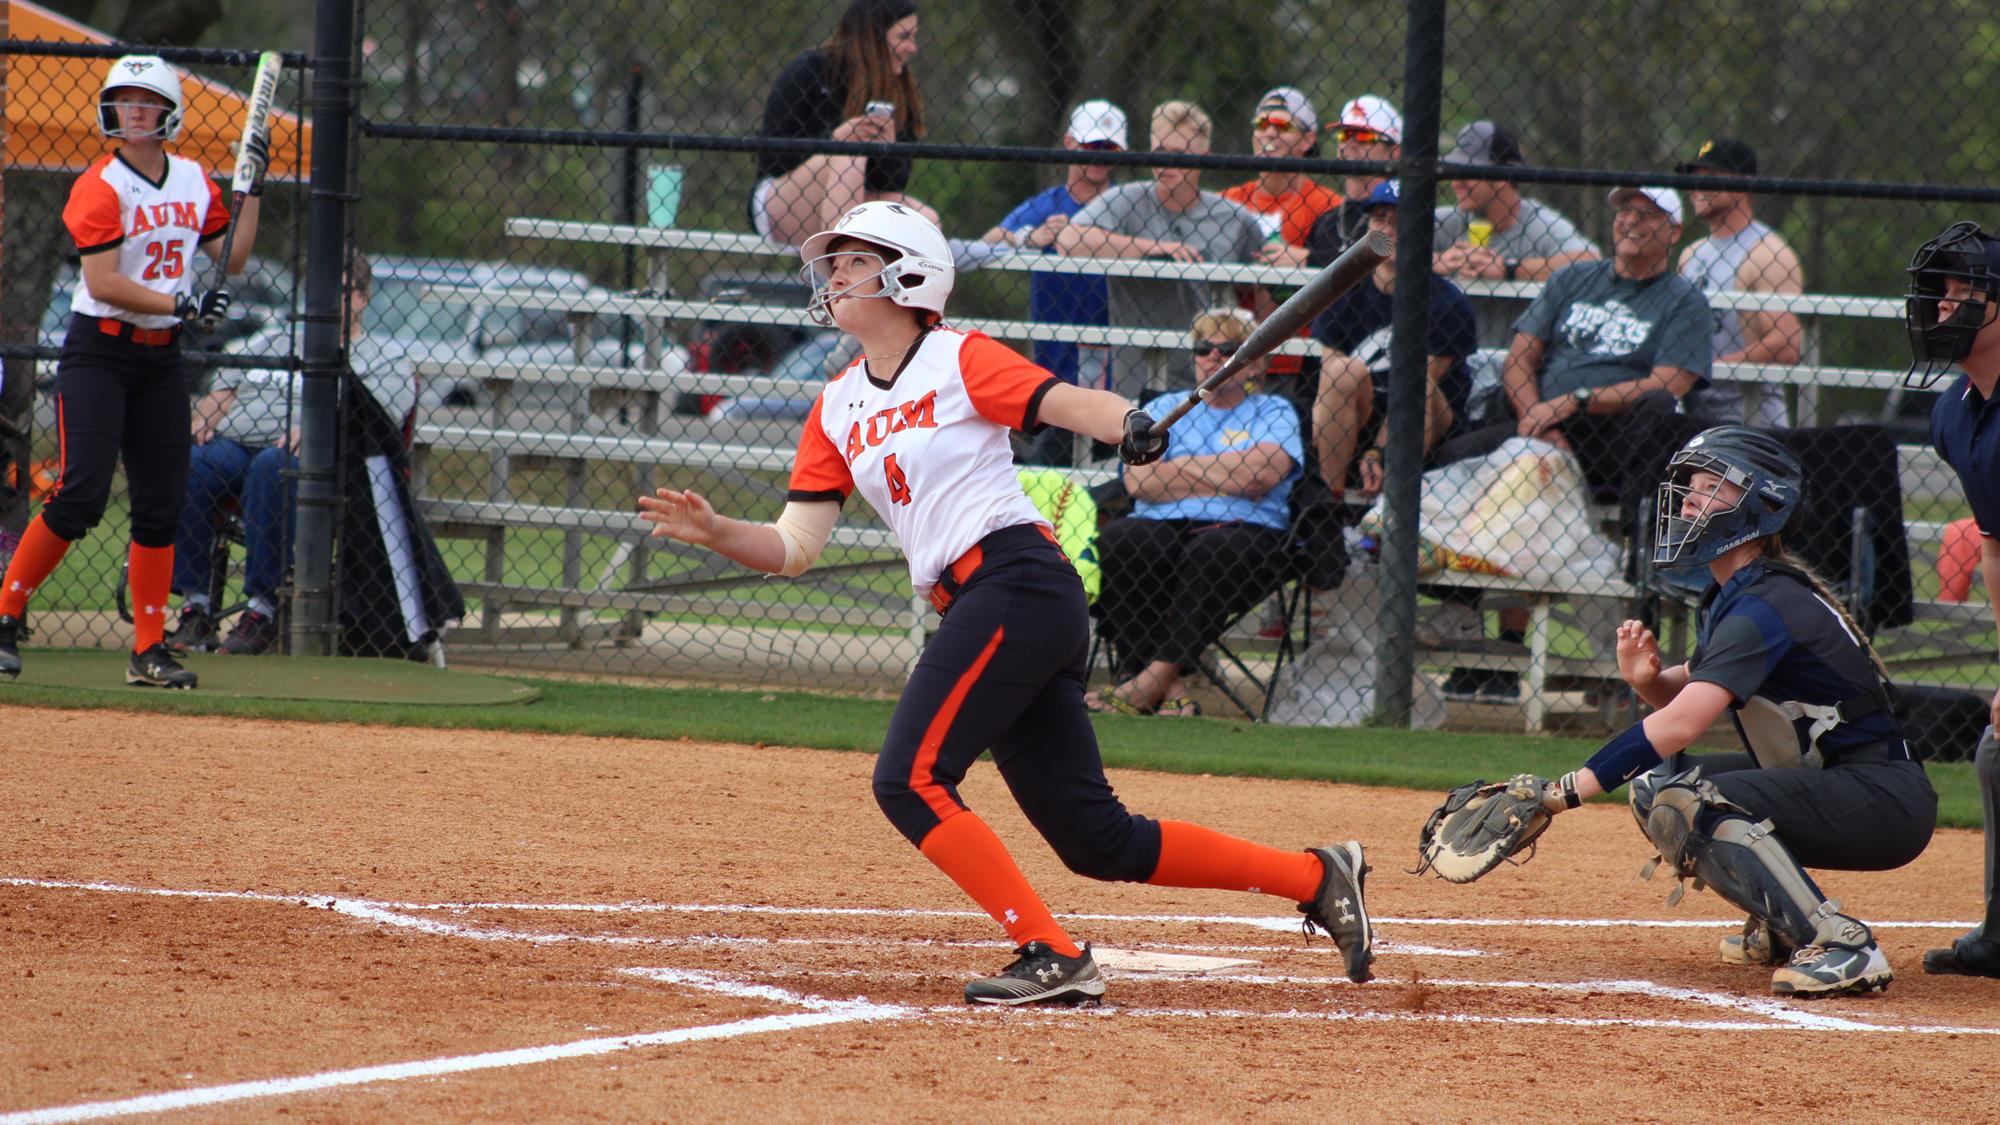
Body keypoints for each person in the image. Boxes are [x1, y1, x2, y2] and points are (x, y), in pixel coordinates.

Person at [636, 201, 1373, 1004]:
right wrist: (718, 533)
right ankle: (1315, 874)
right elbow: (793, 545)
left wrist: (1129, 418)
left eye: (853, 260)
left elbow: (1063, 403)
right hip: (990, 606)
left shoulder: (956, 358)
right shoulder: (837, 403)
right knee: (1097, 839)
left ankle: (1050, 951)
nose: (835, 274)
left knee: (908, 779)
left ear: (906, 273)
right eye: (833, 261)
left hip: (1015, 582)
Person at [1462, 426, 1934, 995]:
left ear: (1758, 506)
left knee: (1688, 800)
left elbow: (1682, 725)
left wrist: (1562, 791)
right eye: (1691, 488)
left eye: (1711, 488)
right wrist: (1648, 680)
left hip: (1882, 799)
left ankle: (1842, 944)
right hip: (1835, 781)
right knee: (1656, 787)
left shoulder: (1765, 604)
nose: (1688, 501)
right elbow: (1687, 703)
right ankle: (1787, 925)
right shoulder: (1739, 596)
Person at [0, 55, 259, 689]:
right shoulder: (100, 184)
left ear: (169, 111)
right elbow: (103, 281)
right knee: (82, 494)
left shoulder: (195, 180)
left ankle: (148, 649)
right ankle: (4, 616)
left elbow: (235, 257)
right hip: (100, 353)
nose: (135, 110)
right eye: (124, 100)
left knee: (161, 505)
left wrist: (254, 188)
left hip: (160, 358)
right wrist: (181, 302)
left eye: (147, 100)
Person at [165, 253, 416, 656]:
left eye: (342, 291)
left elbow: (377, 424)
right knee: (192, 463)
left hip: (316, 462)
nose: (328, 301)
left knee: (271, 468)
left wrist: (320, 432)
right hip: (238, 444)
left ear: (363, 299)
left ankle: (262, 611)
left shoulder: (384, 358)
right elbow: (224, 388)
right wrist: (204, 417)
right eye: (318, 291)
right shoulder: (273, 339)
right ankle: (197, 606)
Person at [1088, 308, 1302, 718]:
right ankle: (1168, 688)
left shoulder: (1274, 410)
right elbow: (1138, 483)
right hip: (1161, 521)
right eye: (1204, 348)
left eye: (1227, 349)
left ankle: (1148, 681)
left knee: (1212, 553)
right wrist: (1228, 470)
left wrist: (1177, 469)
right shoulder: (1167, 407)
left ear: (1254, 361)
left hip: (1246, 527)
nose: (1213, 357)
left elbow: (1261, 475)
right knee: (1122, 541)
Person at [1902, 220, 2000, 979]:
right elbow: (1996, 545)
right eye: (1941, 295)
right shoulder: (1954, 414)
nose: (1945, 309)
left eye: (1966, 294)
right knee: (1998, 752)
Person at [1059, 101, 1264, 398]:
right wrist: (1153, 248)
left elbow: (1261, 294)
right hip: (1134, 377)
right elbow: (1069, 240)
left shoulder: (1233, 218)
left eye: (1179, 155)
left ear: (1204, 157)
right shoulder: (1126, 200)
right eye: (1159, 152)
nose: (1166, 163)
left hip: (1210, 379)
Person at [1310, 181, 1476, 500]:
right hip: (1357, 412)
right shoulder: (1346, 290)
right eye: (1380, 219)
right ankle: (1329, 502)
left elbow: (1414, 389)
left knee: (1416, 379)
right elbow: (1331, 378)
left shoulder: (1447, 303)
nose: (1389, 230)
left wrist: (1377, 453)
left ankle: (1393, 499)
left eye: (1401, 222)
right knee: (1341, 372)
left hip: (1427, 418)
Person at [751, 0, 937, 249]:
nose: (912, 47)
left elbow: (892, 186)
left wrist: (889, 150)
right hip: (783, 202)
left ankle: (881, 284)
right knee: (850, 153)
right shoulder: (811, 68)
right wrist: (833, 142)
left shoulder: (900, 89)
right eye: (903, 36)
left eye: (913, 37)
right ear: (873, 37)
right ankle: (836, 281)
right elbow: (773, 160)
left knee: (927, 219)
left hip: (855, 205)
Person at [980, 99, 1127, 410]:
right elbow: (990, 239)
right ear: (1069, 143)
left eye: (1110, 148)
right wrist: (1030, 236)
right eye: (1091, 145)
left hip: (1115, 345)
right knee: (1053, 439)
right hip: (1054, 347)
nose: (1100, 156)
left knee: (1112, 437)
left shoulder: (1126, 203)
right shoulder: (1048, 204)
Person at [1431, 121, 1600, 350]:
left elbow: (1591, 262)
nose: (1455, 182)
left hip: (1514, 366)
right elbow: (1376, 249)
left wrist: (1508, 268)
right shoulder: (1449, 220)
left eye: (1466, 171)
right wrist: (1432, 262)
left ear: (1501, 177)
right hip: (1450, 364)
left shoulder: (1538, 222)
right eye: (1454, 170)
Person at [1674, 138, 1805, 428]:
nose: (1698, 188)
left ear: (1744, 183)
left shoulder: (1768, 253)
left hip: (1750, 421)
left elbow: (1786, 345)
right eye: (1694, 180)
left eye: (1710, 178)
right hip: (1692, 417)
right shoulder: (1691, 254)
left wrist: (1705, 372)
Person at [1222, 87, 1342, 396]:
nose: (1270, 132)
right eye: (1262, 124)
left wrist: (1304, 259)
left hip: (1298, 360)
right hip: (1230, 359)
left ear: (1307, 140)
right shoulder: (1229, 201)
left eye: (1284, 126)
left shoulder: (1327, 204)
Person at [1302, 94, 1402, 266]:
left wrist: (1310, 260)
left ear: (1394, 151)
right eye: (1345, 135)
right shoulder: (1327, 221)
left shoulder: (1397, 218)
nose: (1351, 143)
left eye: (1365, 137)